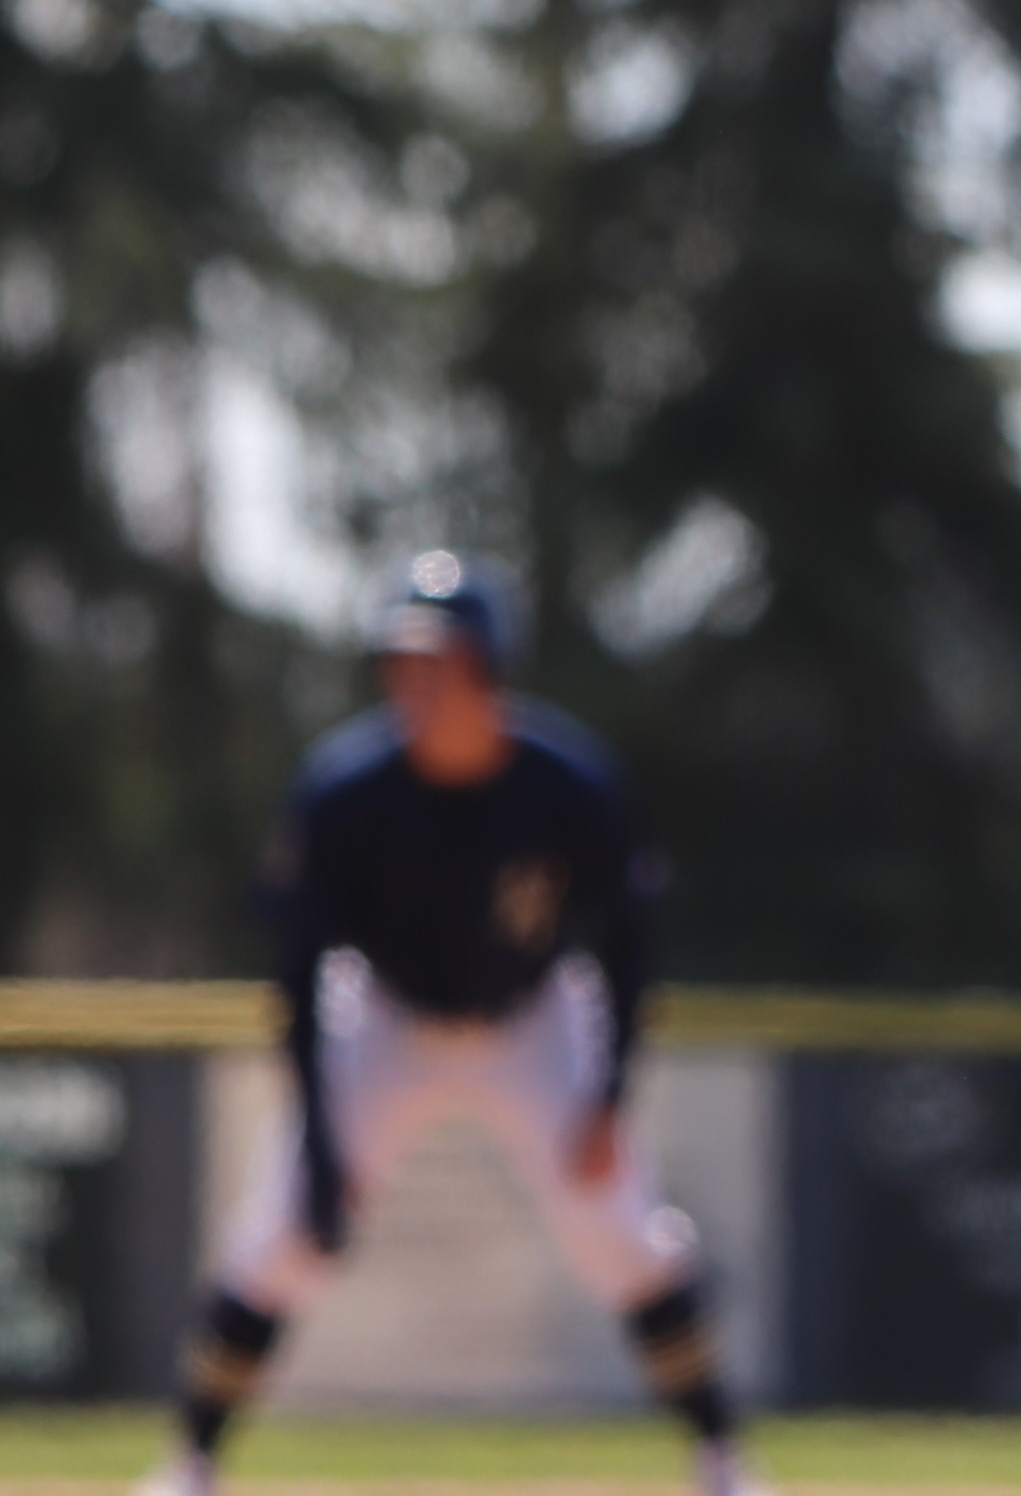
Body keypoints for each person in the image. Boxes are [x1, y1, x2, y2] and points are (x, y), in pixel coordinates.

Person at [143, 554, 766, 1496]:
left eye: (438, 657)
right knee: (279, 1236)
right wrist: (317, 1138)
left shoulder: (568, 784)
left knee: (622, 1230)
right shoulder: (346, 791)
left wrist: (608, 1094)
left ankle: (722, 1460)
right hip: (383, 1013)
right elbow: (298, 971)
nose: (414, 678)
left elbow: (631, 940)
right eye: (401, 658)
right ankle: (190, 1464)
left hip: (535, 1016)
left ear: (490, 666)